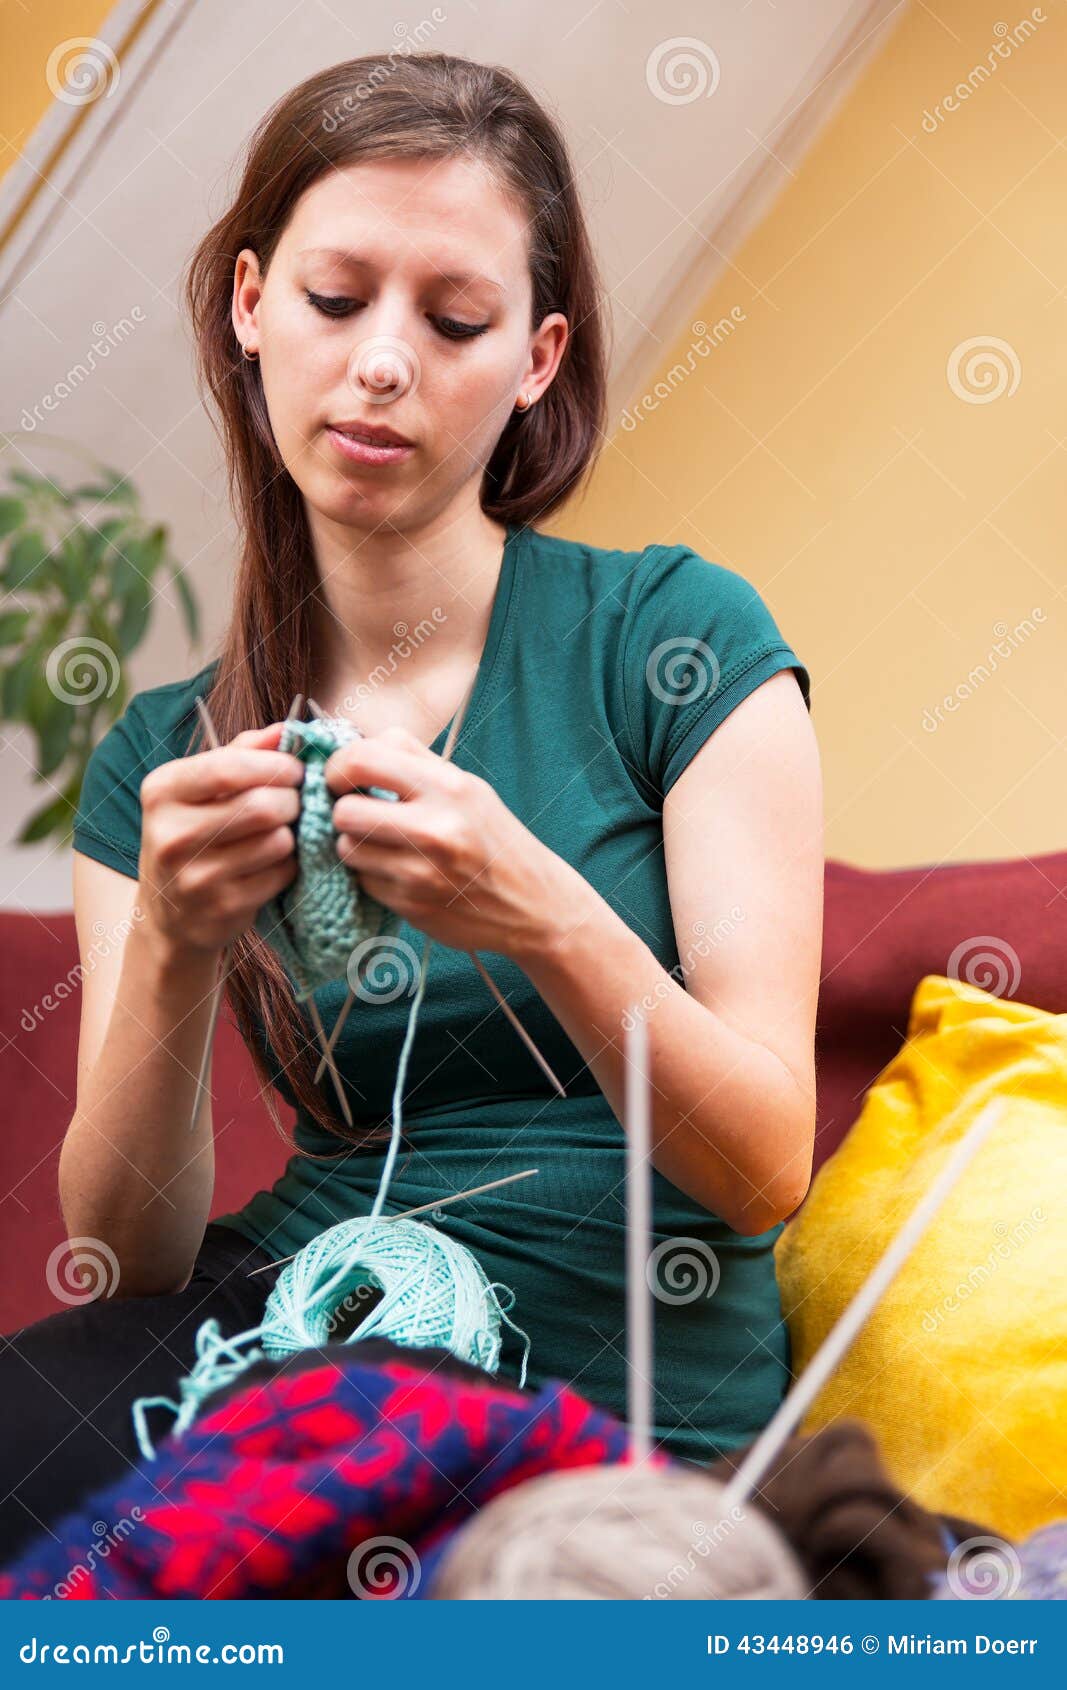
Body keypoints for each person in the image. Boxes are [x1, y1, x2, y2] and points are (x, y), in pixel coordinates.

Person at [1, 49, 823, 1565]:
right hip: (297, 1326)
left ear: (534, 357)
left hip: (616, 1368)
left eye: (453, 321)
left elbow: (768, 1163)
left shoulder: (675, 638)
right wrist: (177, 945)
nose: (385, 362)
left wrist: (542, 910)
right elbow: (124, 1257)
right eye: (333, 301)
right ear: (251, 306)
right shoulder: (163, 760)